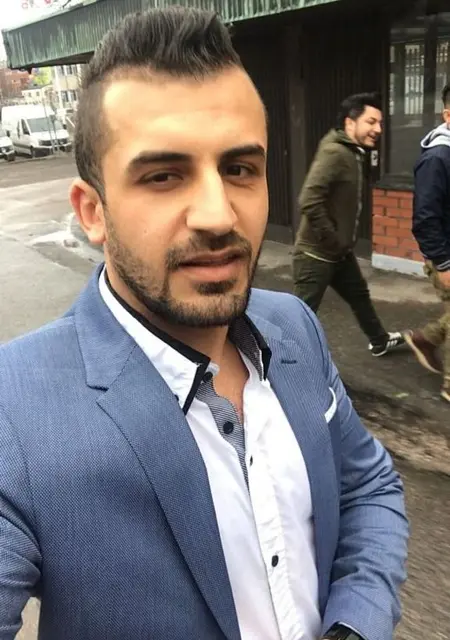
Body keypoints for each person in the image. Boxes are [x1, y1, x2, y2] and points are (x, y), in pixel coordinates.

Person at [0, 9, 408, 640]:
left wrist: (354, 624)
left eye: (240, 169)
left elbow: (368, 488)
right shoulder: (15, 410)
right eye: (164, 176)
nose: (218, 215)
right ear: (93, 211)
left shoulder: (295, 326)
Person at [292, 93, 405, 357]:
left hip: (339, 253)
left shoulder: (352, 151)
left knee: (359, 295)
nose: (378, 129)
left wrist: (340, 245)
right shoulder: (335, 152)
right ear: (350, 123)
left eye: (380, 123)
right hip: (315, 255)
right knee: (300, 316)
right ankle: (281, 368)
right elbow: (308, 200)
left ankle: (379, 340)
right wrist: (332, 239)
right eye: (371, 122)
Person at [405, 83, 450, 403]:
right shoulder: (437, 158)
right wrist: (443, 264)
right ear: (447, 115)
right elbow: (424, 219)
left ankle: (425, 338)